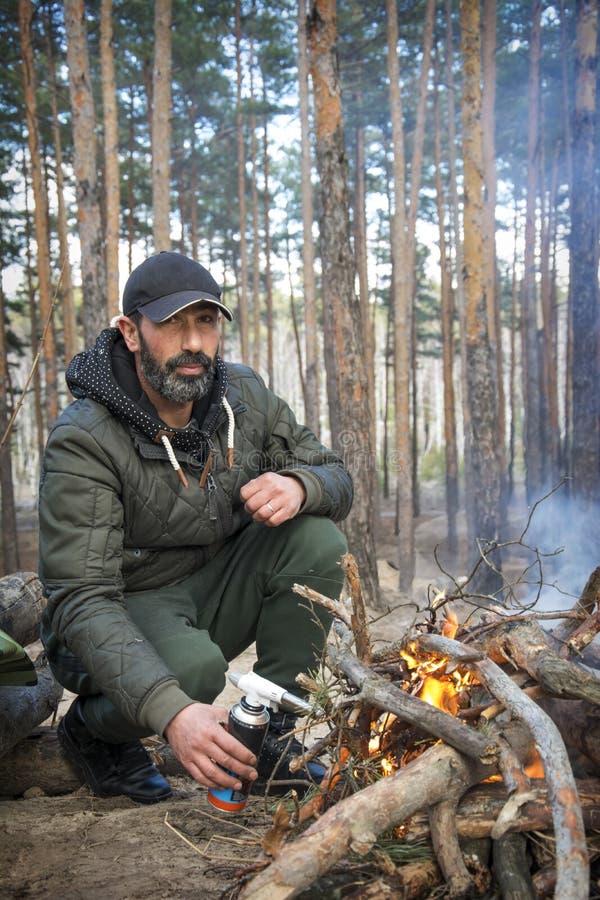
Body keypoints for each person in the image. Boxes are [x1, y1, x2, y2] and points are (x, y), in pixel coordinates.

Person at [38, 251, 352, 804]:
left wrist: (301, 486)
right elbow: (82, 598)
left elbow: (336, 473)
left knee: (316, 539)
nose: (194, 343)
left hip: (214, 581)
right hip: (123, 605)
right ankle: (91, 730)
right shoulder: (84, 438)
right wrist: (173, 713)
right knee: (193, 672)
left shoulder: (243, 397)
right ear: (131, 333)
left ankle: (270, 734)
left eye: (205, 322)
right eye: (172, 324)